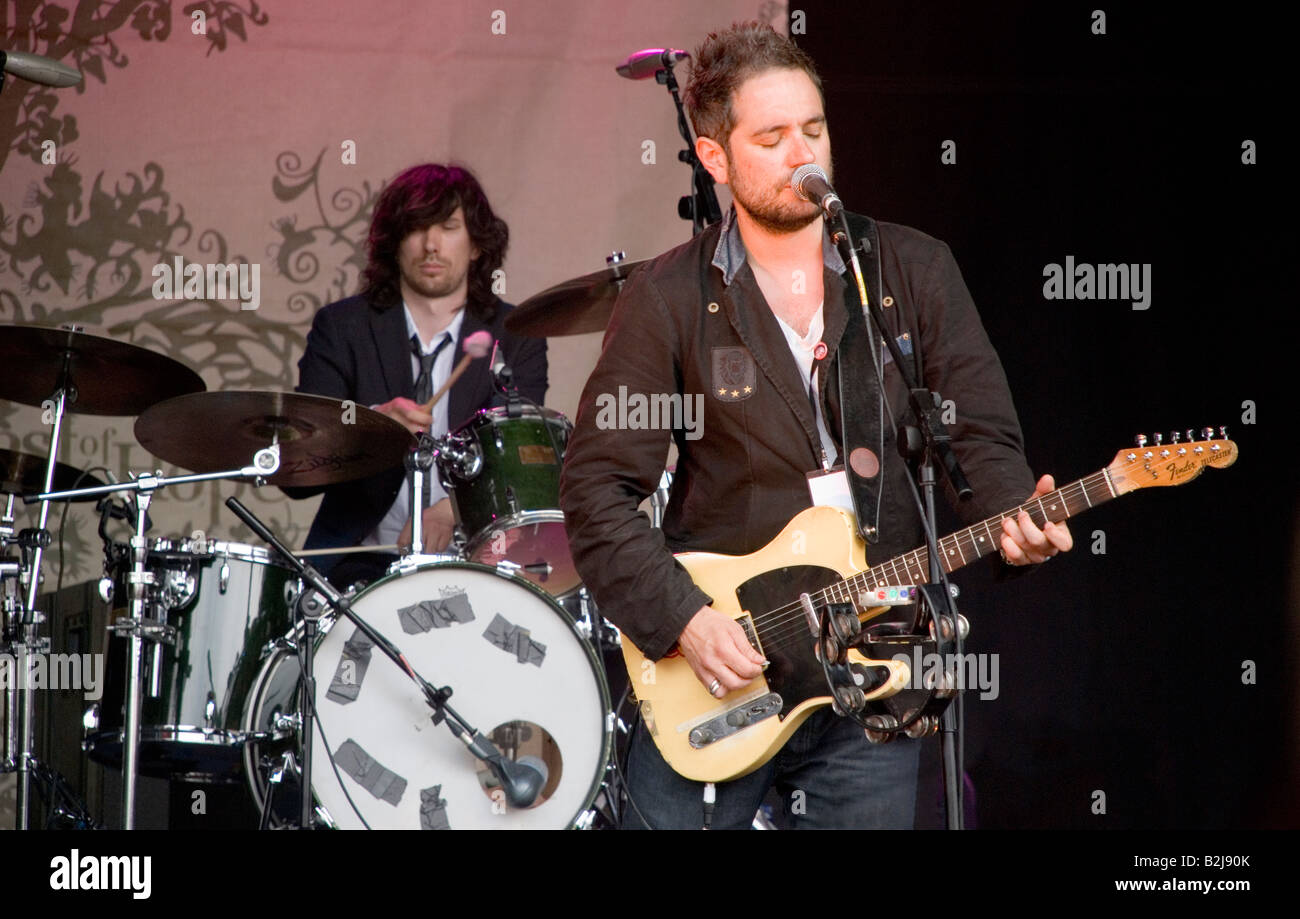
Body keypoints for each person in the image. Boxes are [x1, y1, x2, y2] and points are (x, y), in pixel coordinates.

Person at [559, 22, 1072, 829]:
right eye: (772, 136)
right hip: (724, 663)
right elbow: (595, 488)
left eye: (814, 128)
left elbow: (976, 432)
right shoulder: (667, 298)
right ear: (716, 158)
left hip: (875, 661)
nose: (804, 153)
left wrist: (1015, 513)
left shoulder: (911, 269)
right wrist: (685, 617)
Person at [291, 163, 547, 588]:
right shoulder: (342, 327)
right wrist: (369, 426)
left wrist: (451, 509)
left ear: (477, 246)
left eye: (448, 227)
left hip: (480, 561)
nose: (431, 245)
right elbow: (297, 471)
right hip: (361, 565)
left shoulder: (516, 333)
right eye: (416, 227)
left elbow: (516, 459)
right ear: (393, 243)